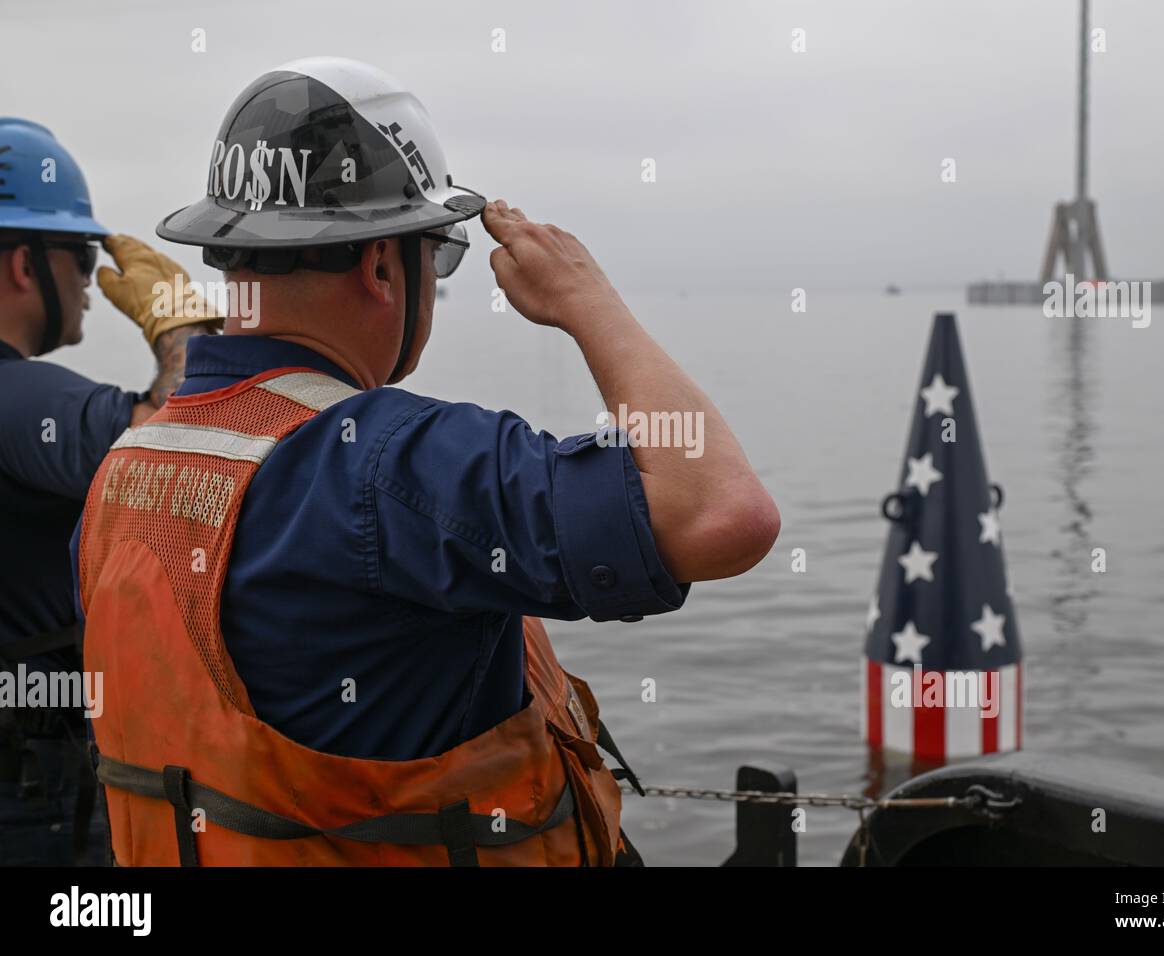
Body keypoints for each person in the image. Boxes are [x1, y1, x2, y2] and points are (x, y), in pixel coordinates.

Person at [75, 57, 780, 866]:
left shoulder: (123, 472)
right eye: (434, 258)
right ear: (381, 266)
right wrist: (589, 304)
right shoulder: (392, 464)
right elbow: (724, 512)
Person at [0, 118, 217, 865]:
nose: (91, 283)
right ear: (25, 264)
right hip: (37, 817)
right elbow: (178, 440)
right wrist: (179, 328)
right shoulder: (19, 399)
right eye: (81, 256)